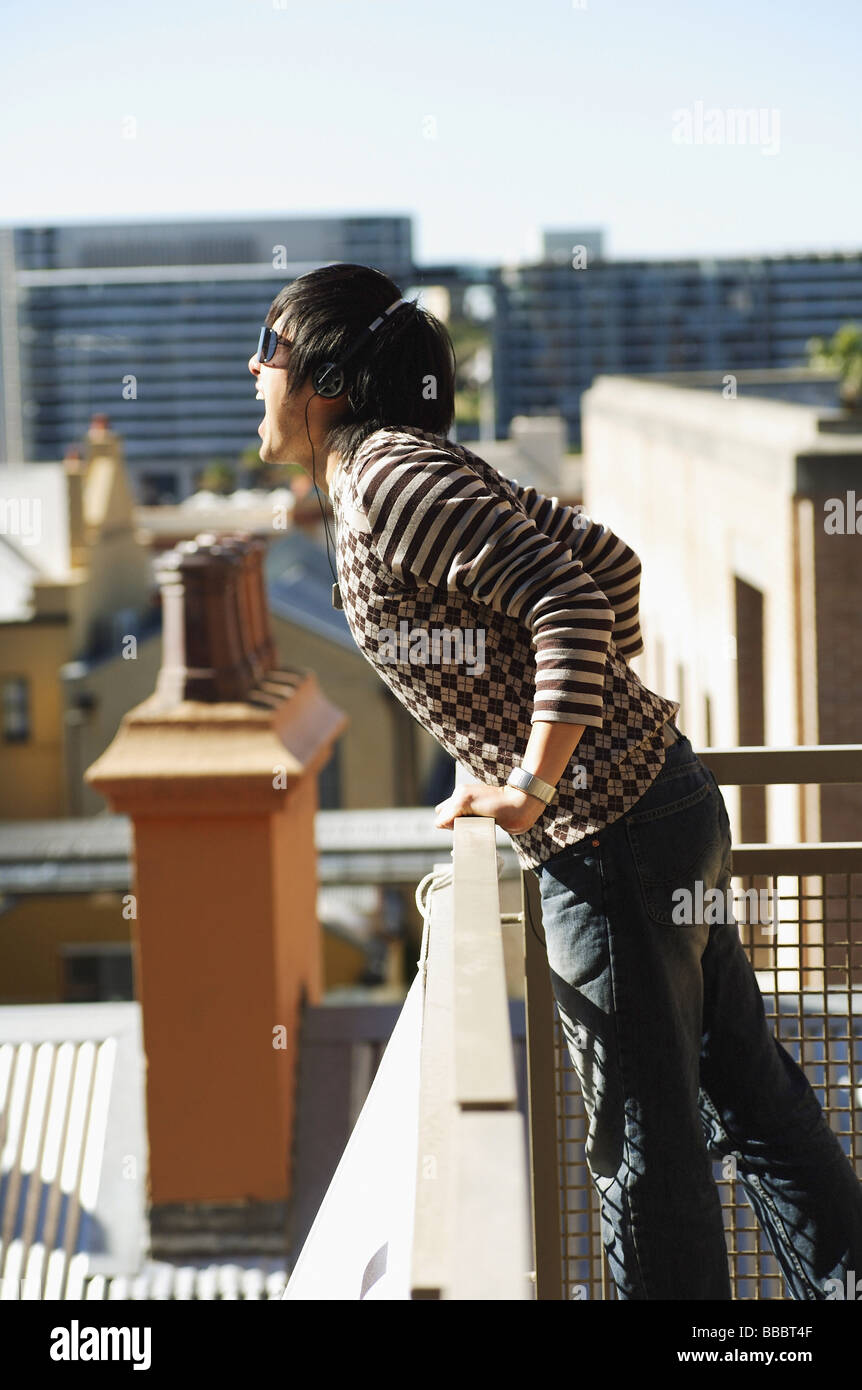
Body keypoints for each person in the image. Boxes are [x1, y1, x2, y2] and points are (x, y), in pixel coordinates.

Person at [248, 261, 862, 1300]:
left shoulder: (390, 478)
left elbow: (571, 605)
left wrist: (532, 776)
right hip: (662, 802)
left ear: (322, 377)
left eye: (263, 351)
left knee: (642, 1159)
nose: (249, 372)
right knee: (750, 1102)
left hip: (610, 837)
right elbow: (608, 567)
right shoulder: (415, 464)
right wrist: (526, 716)